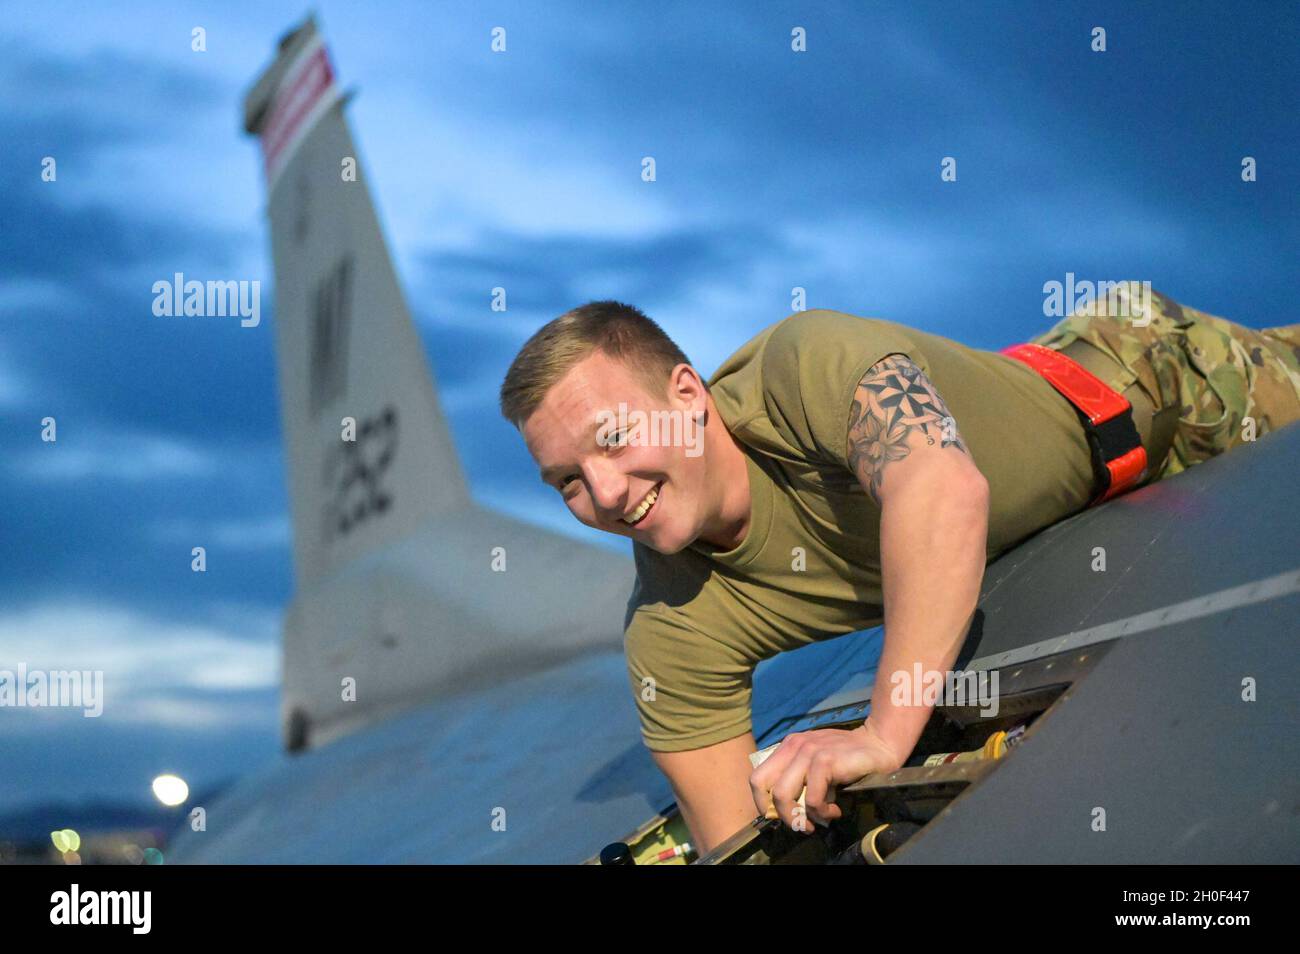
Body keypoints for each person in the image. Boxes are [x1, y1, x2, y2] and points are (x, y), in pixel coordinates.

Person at [498, 283, 1300, 853]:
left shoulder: (796, 369)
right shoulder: (670, 633)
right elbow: (734, 845)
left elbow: (943, 490)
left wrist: (884, 733)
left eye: (611, 439)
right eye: (566, 480)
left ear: (685, 395)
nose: (604, 492)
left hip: (1156, 382)